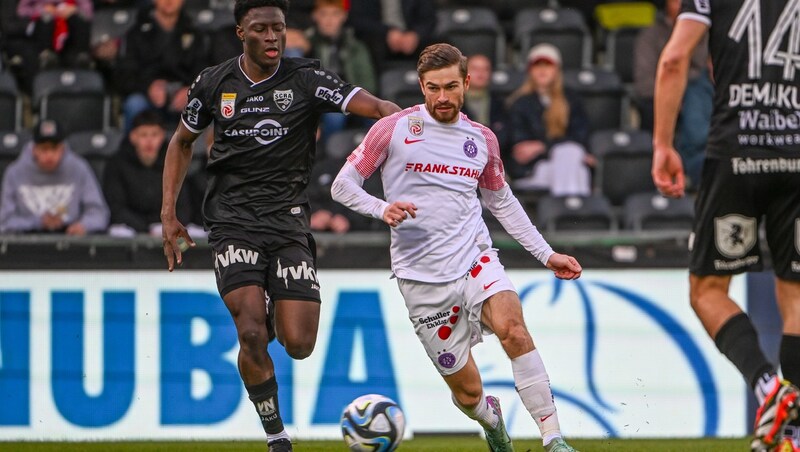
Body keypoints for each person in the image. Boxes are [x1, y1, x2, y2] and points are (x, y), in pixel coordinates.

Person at [159, 1, 401, 451]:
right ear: (241, 32)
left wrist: (403, 118)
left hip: (288, 221)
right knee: (250, 333)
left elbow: (373, 105)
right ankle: (277, 436)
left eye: (279, 28)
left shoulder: (307, 79)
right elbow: (181, 142)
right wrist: (168, 214)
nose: (272, 37)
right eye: (261, 29)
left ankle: (267, 305)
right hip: (231, 220)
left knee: (299, 344)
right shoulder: (213, 83)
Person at [332, 43, 582, 452]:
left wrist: (546, 254)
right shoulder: (393, 129)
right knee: (468, 394)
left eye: (451, 86)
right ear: (421, 86)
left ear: (466, 83)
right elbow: (342, 185)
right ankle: (492, 420)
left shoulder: (482, 138)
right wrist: (382, 208)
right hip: (421, 279)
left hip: (473, 258)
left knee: (514, 330)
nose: (442, 97)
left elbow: (501, 201)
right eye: (433, 88)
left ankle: (553, 438)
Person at [652, 1, 800, 451]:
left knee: (707, 291)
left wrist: (662, 144)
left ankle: (768, 389)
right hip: (795, 155)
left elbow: (674, 59)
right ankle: (792, 433)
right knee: (796, 294)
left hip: (735, 152)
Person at [634, 0, 711, 188]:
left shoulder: (704, 29)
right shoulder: (651, 35)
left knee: (700, 88)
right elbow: (646, 83)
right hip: (665, 98)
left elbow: (707, 67)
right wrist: (674, 95)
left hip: (701, 95)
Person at [506, 44, 594, 196]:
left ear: (557, 70)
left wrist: (542, 146)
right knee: (572, 158)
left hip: (565, 163)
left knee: (574, 161)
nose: (542, 71)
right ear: (530, 70)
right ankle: (571, 208)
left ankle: (563, 208)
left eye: (548, 65)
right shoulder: (519, 103)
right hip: (534, 170)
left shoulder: (571, 99)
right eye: (537, 66)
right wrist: (556, 148)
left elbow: (580, 136)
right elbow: (522, 148)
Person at [0, 119, 109, 235]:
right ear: (34, 149)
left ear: (63, 148)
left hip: (71, 238)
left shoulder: (79, 168)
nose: (49, 156)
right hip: (27, 239)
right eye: (44, 149)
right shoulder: (15, 172)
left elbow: (99, 213)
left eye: (54, 148)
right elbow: (4, 221)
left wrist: (84, 225)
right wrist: (37, 222)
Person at [115, 0, 207, 131]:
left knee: (208, 103)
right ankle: (134, 144)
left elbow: (205, 71)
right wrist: (148, 86)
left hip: (184, 96)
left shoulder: (195, 33)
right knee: (135, 104)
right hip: (147, 98)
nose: (169, 1)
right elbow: (125, 75)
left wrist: (191, 91)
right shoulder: (136, 33)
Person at [103, 109, 192, 236]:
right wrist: (145, 228)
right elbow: (116, 207)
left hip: (165, 228)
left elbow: (183, 206)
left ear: (162, 136)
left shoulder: (175, 163)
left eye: (154, 135)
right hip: (129, 229)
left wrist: (163, 226)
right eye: (143, 135)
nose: (149, 141)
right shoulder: (116, 164)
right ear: (133, 137)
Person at [305, 0, 378, 143]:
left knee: (375, 114)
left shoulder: (355, 46)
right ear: (315, 16)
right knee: (335, 117)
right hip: (320, 100)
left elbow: (368, 84)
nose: (329, 20)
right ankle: (326, 153)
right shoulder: (307, 44)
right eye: (323, 14)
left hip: (350, 95)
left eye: (335, 14)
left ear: (344, 16)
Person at [347, 0, 437, 73]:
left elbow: (429, 18)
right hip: (378, 37)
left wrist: (415, 35)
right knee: (370, 46)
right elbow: (358, 20)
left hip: (412, 36)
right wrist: (387, 32)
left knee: (436, 49)